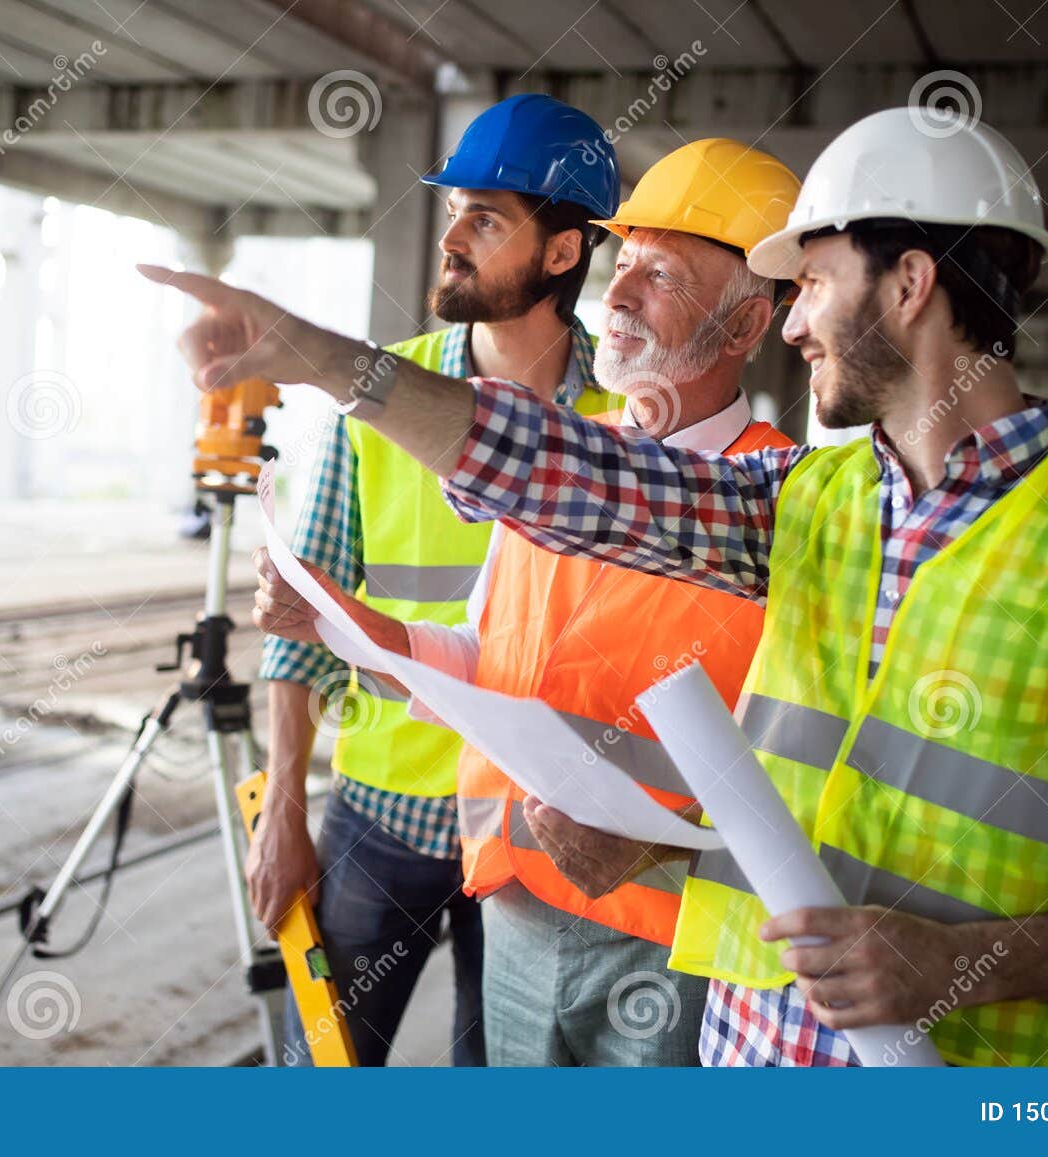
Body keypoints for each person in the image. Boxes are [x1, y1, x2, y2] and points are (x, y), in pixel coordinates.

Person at [142, 105, 1048, 1068]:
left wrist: (956, 963)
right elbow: (564, 470)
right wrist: (322, 358)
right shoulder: (811, 503)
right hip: (746, 1054)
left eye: (812, 284)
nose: (790, 322)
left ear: (906, 284)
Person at [253, 141, 801, 1066]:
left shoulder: (786, 500)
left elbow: (806, 774)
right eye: (621, 265)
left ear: (746, 324)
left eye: (658, 275)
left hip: (668, 940)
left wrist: (667, 854)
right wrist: (349, 627)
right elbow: (484, 650)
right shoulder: (567, 457)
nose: (617, 296)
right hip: (514, 902)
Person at [246, 94, 621, 1066]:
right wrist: (285, 806)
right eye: (456, 209)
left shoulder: (622, 430)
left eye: (486, 217)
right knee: (321, 1076)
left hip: (535, 835)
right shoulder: (377, 396)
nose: (450, 236)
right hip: (382, 817)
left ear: (562, 252)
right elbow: (301, 620)